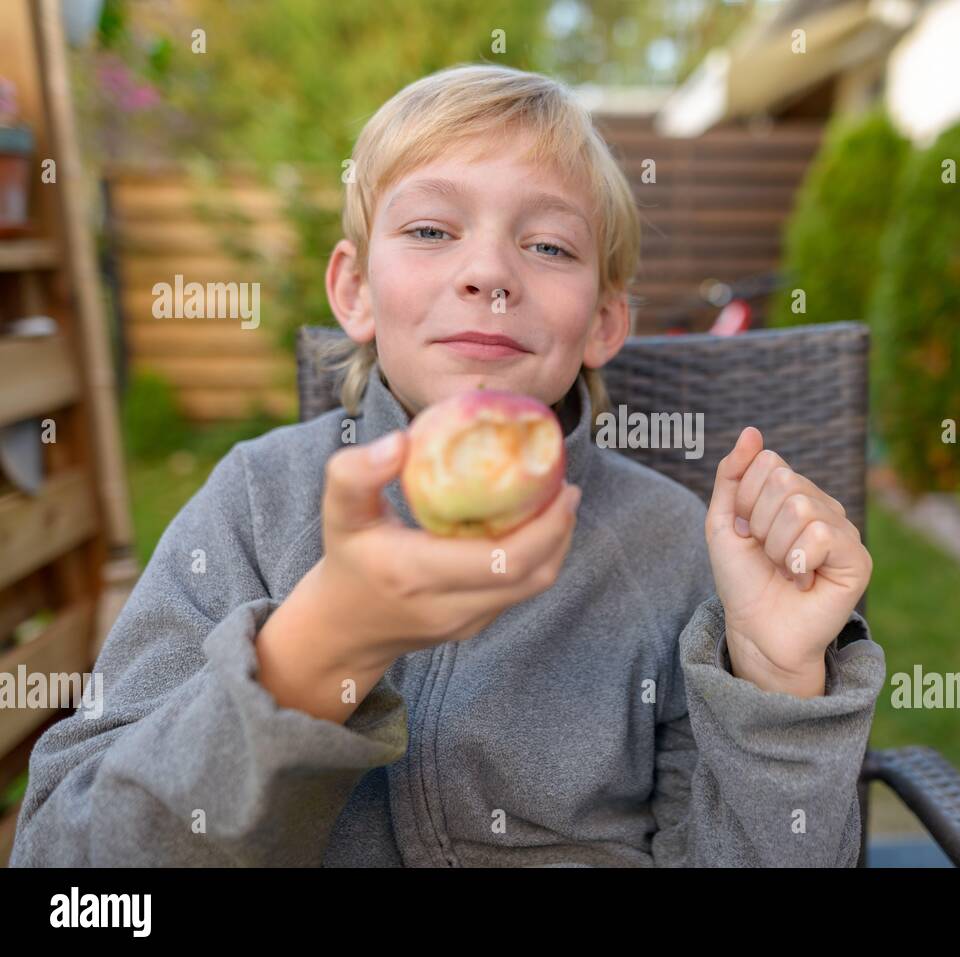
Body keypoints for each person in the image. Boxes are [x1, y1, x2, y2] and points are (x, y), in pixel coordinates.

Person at [11, 64, 884, 867]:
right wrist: (317, 653)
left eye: (548, 246)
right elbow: (72, 871)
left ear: (603, 323)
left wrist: (776, 686)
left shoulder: (673, 549)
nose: (489, 272)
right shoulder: (254, 502)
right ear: (354, 290)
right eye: (431, 228)